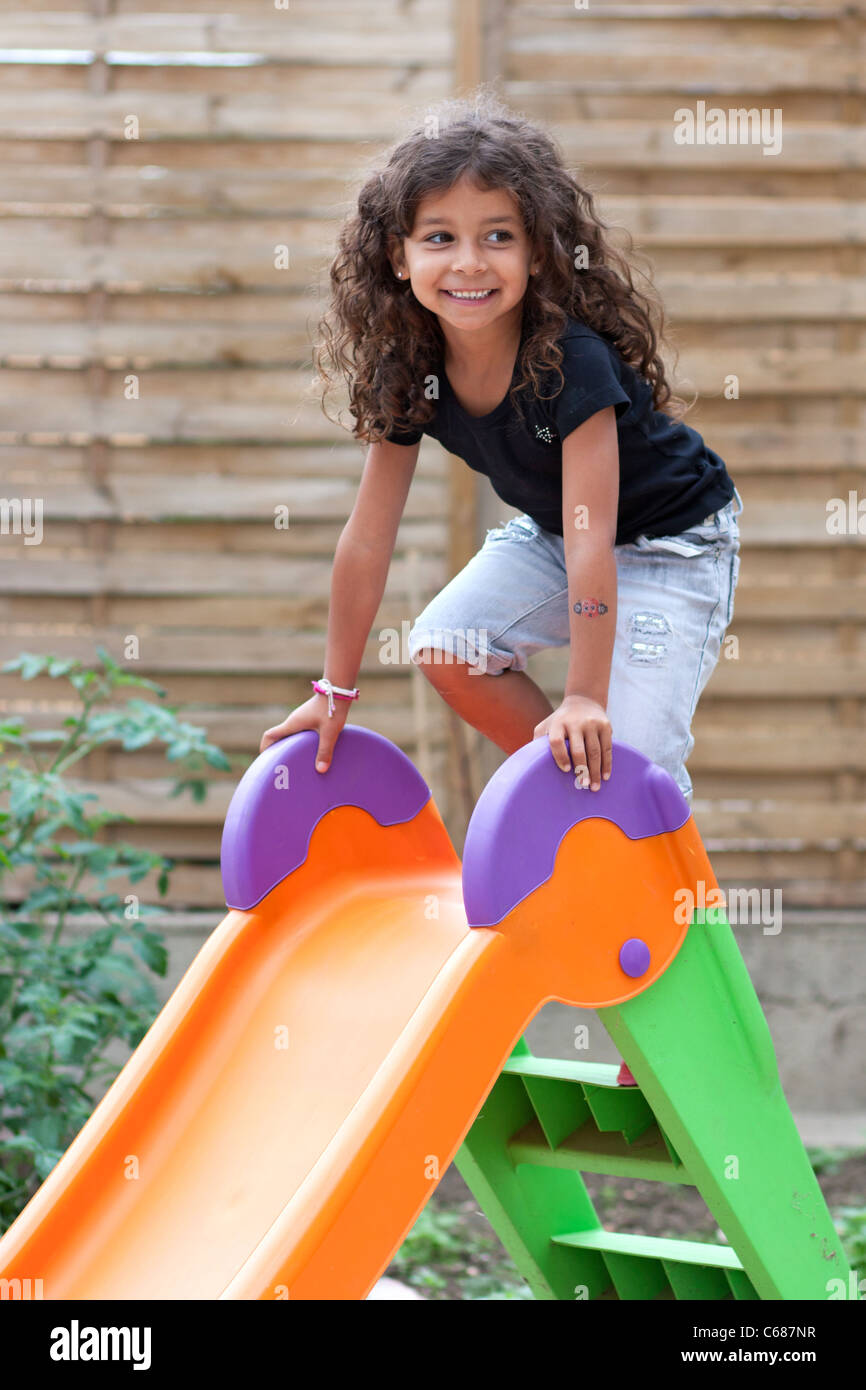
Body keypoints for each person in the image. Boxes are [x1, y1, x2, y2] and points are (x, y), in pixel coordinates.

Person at [260, 91, 743, 1086]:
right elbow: (367, 538)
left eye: (497, 237)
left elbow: (592, 539)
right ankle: (569, 796)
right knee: (446, 644)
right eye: (439, 237)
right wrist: (335, 688)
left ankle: (674, 1002)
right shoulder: (411, 367)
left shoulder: (568, 361)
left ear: (538, 254)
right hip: (549, 532)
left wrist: (582, 695)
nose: (468, 262)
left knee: (633, 763)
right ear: (398, 256)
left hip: (668, 545)